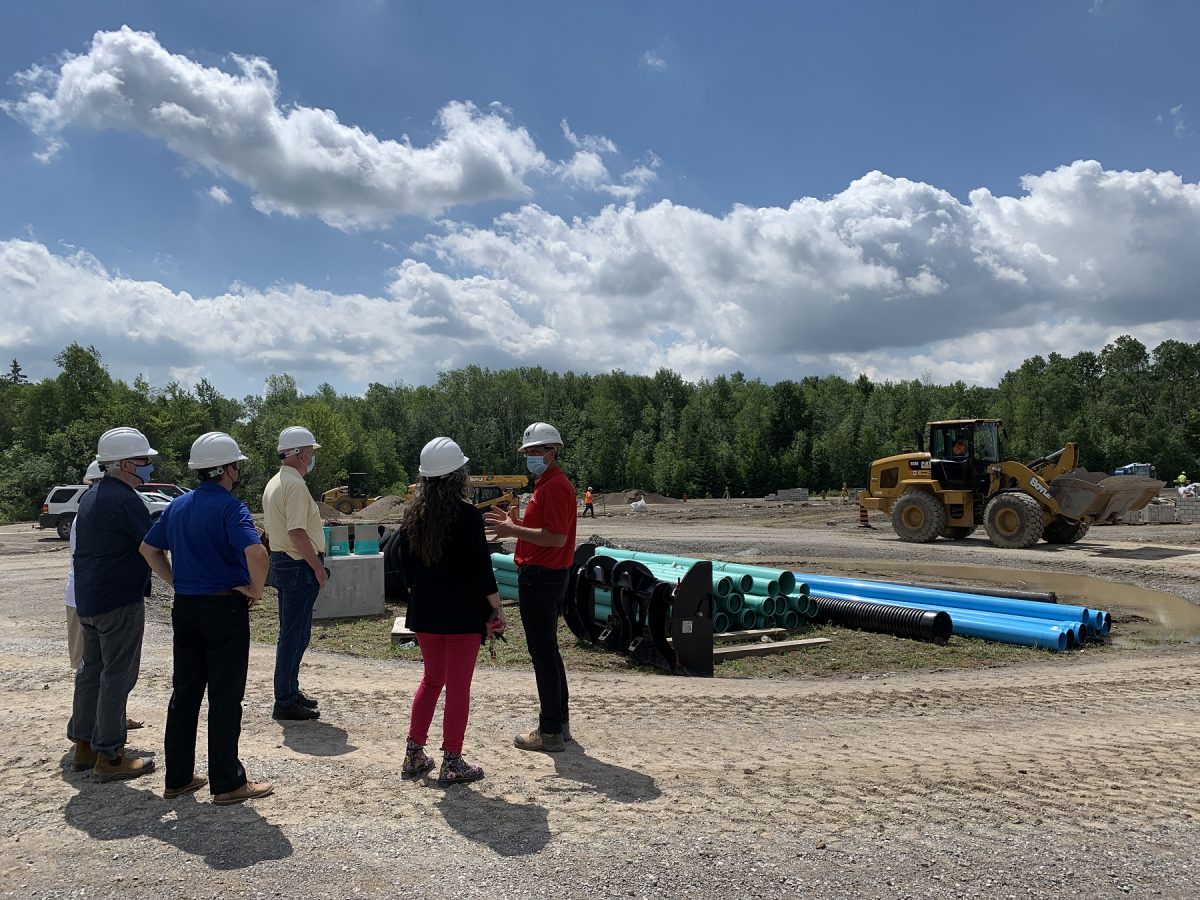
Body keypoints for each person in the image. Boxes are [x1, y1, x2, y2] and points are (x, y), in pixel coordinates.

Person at [140, 432, 274, 806]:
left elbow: (148, 549)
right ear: (227, 469)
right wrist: (255, 590)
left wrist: (176, 581)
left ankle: (178, 777)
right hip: (223, 609)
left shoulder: (177, 506)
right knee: (225, 697)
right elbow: (257, 555)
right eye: (237, 465)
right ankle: (227, 783)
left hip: (185, 609)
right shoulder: (231, 508)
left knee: (185, 695)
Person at [397, 437, 503, 785]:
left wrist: (423, 595)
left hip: (426, 614)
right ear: (458, 475)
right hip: (462, 617)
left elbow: (405, 568)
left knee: (431, 681)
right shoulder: (470, 517)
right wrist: (496, 608)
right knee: (458, 688)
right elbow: (481, 569)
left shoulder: (413, 516)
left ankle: (414, 754)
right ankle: (452, 761)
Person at [68, 427, 157, 780]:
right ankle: (111, 755)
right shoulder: (125, 500)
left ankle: (84, 745)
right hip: (119, 601)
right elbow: (151, 545)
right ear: (122, 464)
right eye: (143, 461)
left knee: (91, 672)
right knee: (118, 675)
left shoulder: (91, 496)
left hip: (90, 601)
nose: (149, 468)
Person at [484, 422, 577, 753]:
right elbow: (547, 532)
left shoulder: (554, 487)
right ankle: (560, 724)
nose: (529, 457)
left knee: (543, 653)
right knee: (549, 650)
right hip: (547, 574)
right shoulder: (549, 484)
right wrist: (518, 525)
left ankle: (550, 730)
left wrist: (513, 531)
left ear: (551, 452)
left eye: (534, 452)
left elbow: (556, 538)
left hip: (542, 577)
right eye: (526, 453)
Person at [262, 426, 326, 721]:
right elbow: (297, 532)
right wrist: (317, 567)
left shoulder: (275, 482)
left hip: (282, 562)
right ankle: (285, 699)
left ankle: (289, 690)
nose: (312, 458)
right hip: (298, 564)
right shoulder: (296, 486)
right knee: (295, 635)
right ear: (299, 454)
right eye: (310, 453)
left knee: (290, 632)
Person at [64, 459, 103, 674]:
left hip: (79, 596)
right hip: (85, 597)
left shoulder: (85, 513)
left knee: (86, 665)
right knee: (86, 666)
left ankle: (89, 707)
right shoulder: (91, 515)